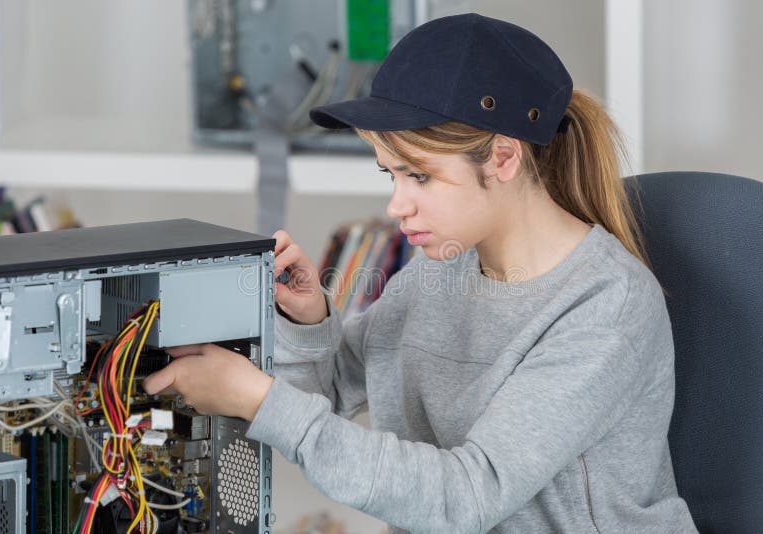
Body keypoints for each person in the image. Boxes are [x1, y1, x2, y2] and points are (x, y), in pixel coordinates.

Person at [144, 13, 699, 533]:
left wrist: (259, 401)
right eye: (390, 175)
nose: (396, 206)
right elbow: (330, 393)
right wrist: (311, 321)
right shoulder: (441, 272)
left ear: (504, 158)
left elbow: (469, 495)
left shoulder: (605, 305)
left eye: (420, 177)